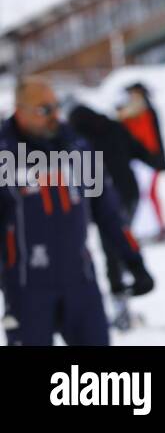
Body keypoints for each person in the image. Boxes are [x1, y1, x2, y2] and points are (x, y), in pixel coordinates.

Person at [2, 78, 154, 345]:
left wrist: (134, 261)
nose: (54, 115)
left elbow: (108, 213)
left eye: (56, 106)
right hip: (27, 287)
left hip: (79, 280)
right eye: (44, 109)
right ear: (20, 110)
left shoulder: (77, 148)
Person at [66, 99, 163, 330]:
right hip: (128, 195)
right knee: (118, 244)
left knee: (112, 249)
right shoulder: (114, 127)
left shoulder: (80, 140)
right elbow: (138, 149)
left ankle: (121, 307)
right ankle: (124, 298)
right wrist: (156, 161)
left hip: (107, 201)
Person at [117, 82, 165, 241]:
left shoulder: (145, 113)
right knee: (143, 195)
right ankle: (150, 227)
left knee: (147, 194)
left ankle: (157, 226)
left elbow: (151, 139)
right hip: (139, 161)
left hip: (148, 161)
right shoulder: (130, 116)